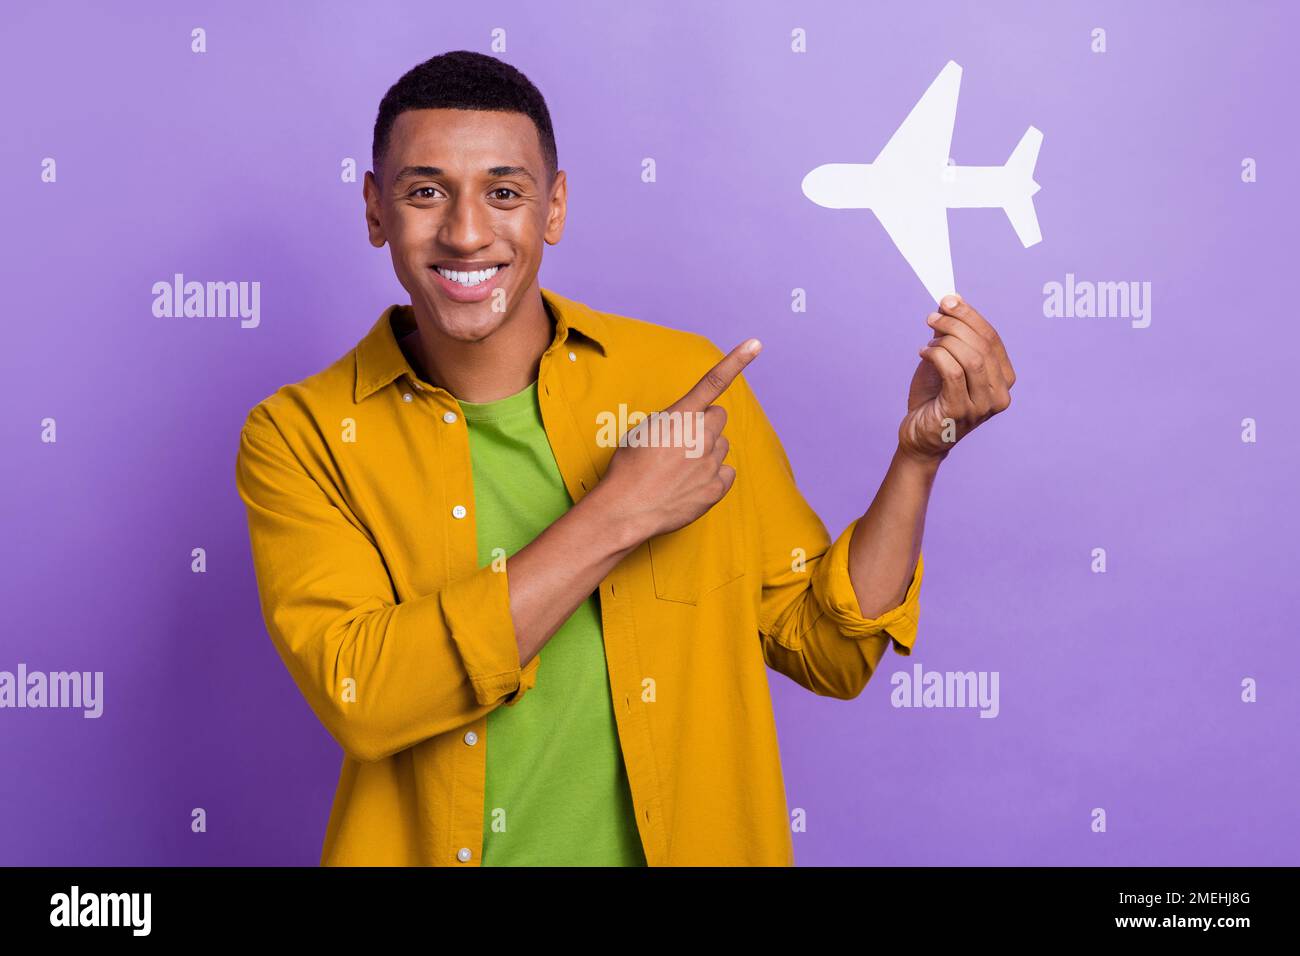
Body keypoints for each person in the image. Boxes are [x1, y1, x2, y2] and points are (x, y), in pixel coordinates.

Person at [234, 49, 1016, 867]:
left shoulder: (686, 386)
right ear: (373, 209)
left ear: (555, 207)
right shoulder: (301, 434)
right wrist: (619, 513)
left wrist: (919, 458)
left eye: (505, 192)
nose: (466, 232)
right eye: (425, 191)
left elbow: (830, 650)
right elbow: (367, 699)